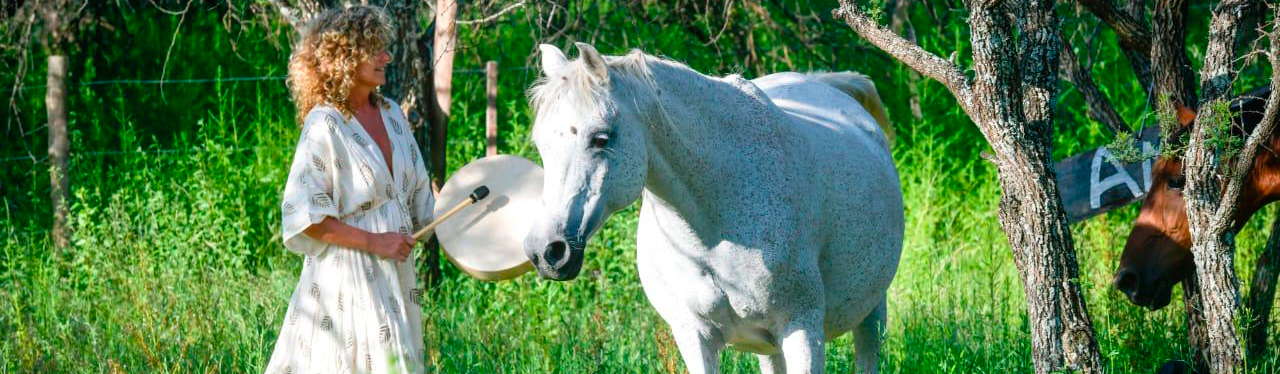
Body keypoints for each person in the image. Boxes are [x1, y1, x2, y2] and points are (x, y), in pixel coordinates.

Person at [264, 6, 433, 374]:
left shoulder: (391, 113)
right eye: (375, 48)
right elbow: (304, 219)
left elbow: (421, 194)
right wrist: (377, 242)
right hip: (348, 276)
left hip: (397, 276)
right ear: (343, 56)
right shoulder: (325, 123)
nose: (386, 57)